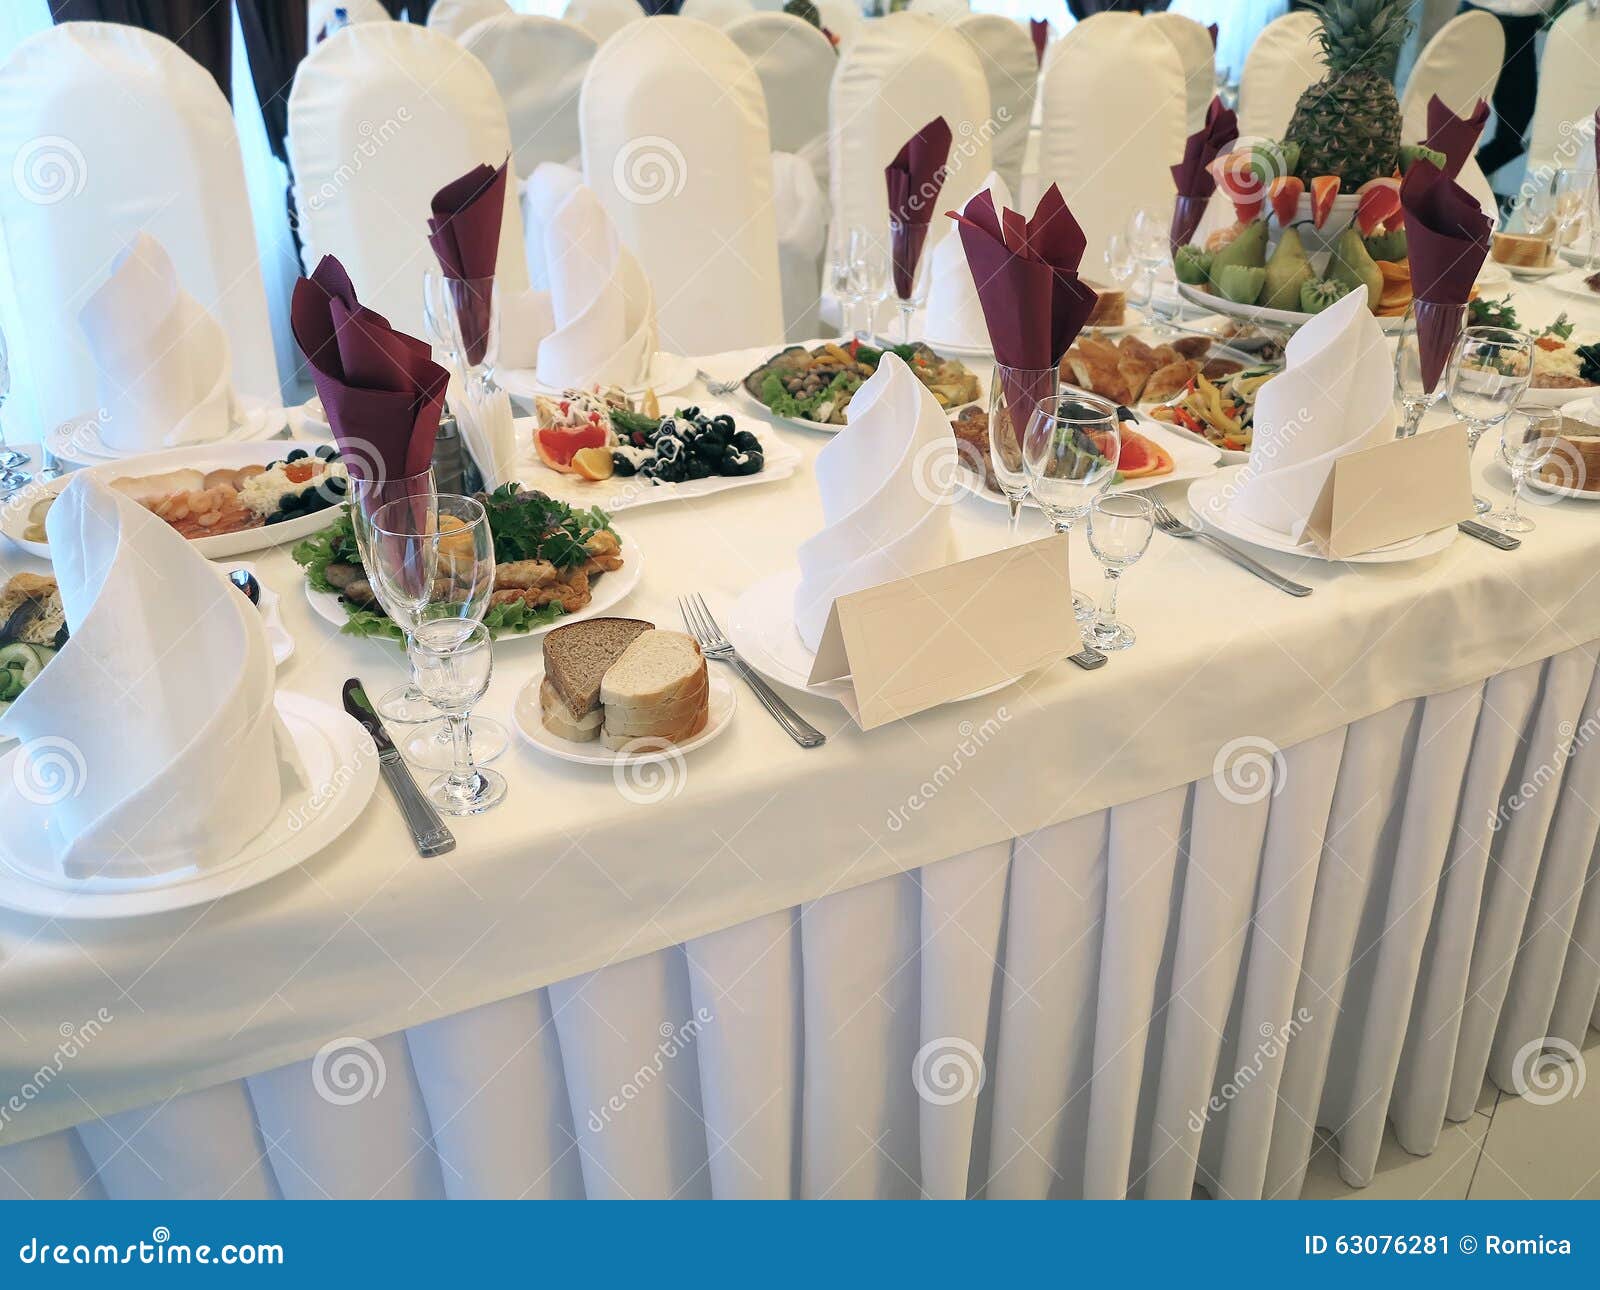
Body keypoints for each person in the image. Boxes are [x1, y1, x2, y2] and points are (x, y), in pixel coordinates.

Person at [1464, 0, 1560, 180]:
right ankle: (1444, 185)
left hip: (1521, 25)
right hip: (1484, 17)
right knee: (1448, 120)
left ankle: (1457, 182)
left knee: (1514, 131)